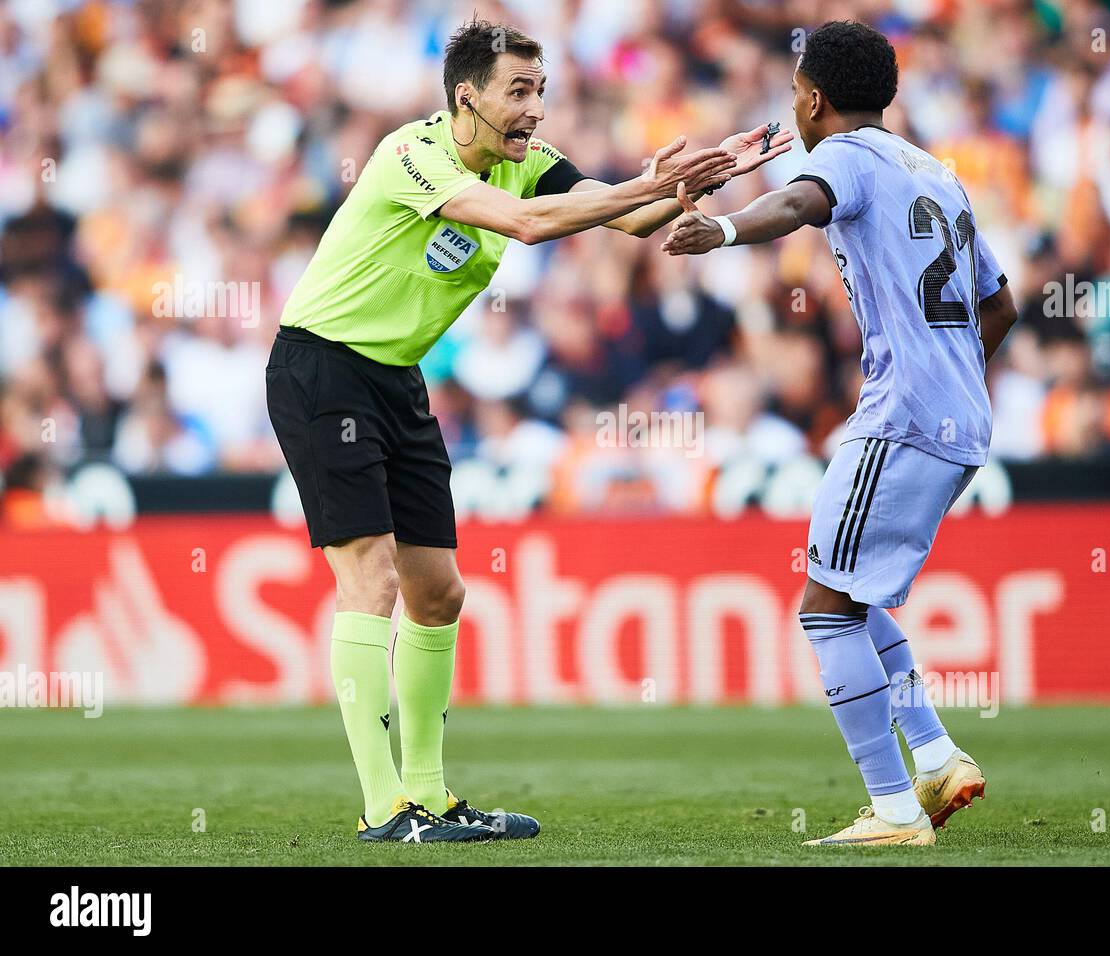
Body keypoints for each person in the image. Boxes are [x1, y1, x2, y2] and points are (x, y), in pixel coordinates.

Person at [266, 18, 791, 843]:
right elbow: (528, 224)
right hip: (321, 368)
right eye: (519, 91)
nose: (536, 110)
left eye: (541, 91)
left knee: (439, 591)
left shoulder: (531, 163)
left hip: (397, 379)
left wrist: (697, 177)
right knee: (371, 580)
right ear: (465, 97)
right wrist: (646, 182)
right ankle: (385, 810)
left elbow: (626, 221)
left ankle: (433, 796)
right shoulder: (414, 154)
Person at [663, 20, 1018, 847]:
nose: (792, 100)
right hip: (960, 419)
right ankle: (933, 756)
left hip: (903, 414)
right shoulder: (937, 172)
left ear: (814, 98)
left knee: (825, 610)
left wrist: (718, 230)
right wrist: (954, 380)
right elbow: (999, 305)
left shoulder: (844, 157)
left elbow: (796, 203)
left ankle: (895, 810)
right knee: (848, 592)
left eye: (795, 88)